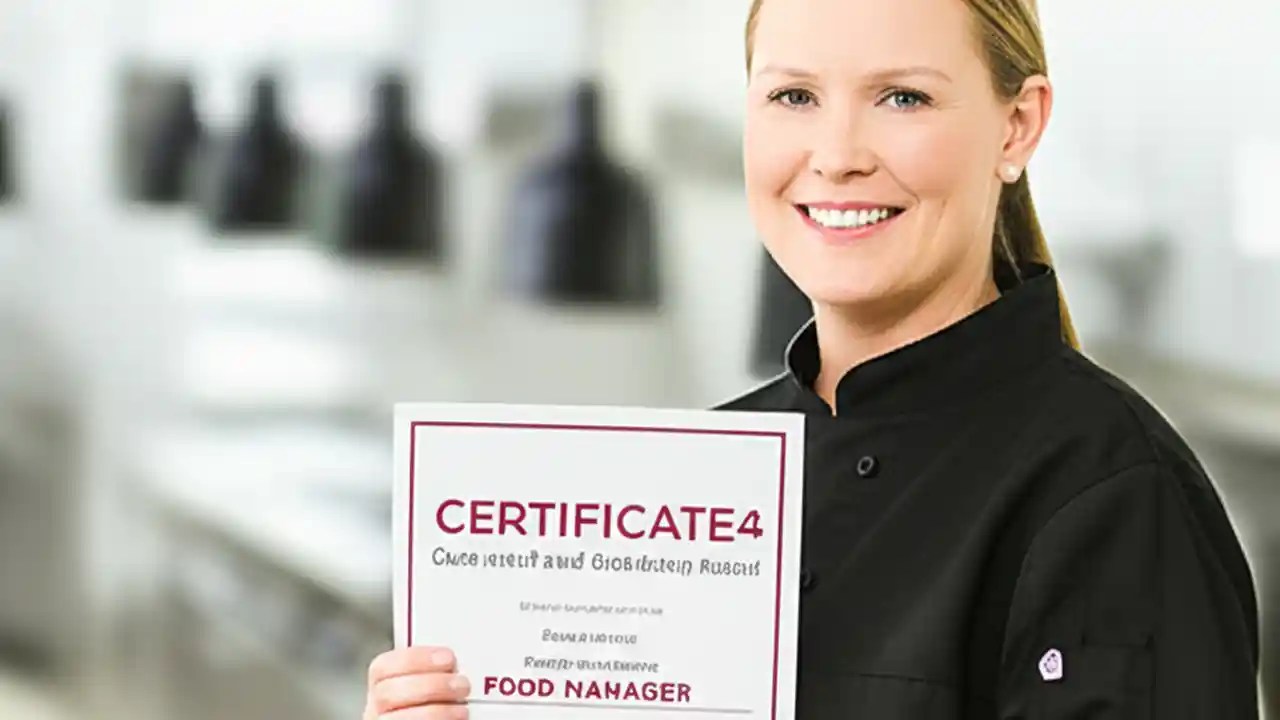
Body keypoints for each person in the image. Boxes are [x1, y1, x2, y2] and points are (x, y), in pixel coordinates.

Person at [363, 0, 1261, 716]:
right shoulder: (702, 469)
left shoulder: (1115, 498)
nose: (835, 158)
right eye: (794, 96)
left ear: (1017, 126)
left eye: (902, 97)